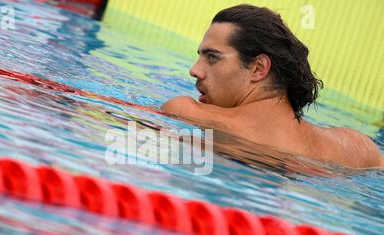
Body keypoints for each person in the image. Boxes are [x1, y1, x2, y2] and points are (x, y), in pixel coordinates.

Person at [161, 5, 384, 169]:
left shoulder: (186, 112)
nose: (194, 70)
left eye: (212, 57)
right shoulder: (359, 149)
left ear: (258, 68)